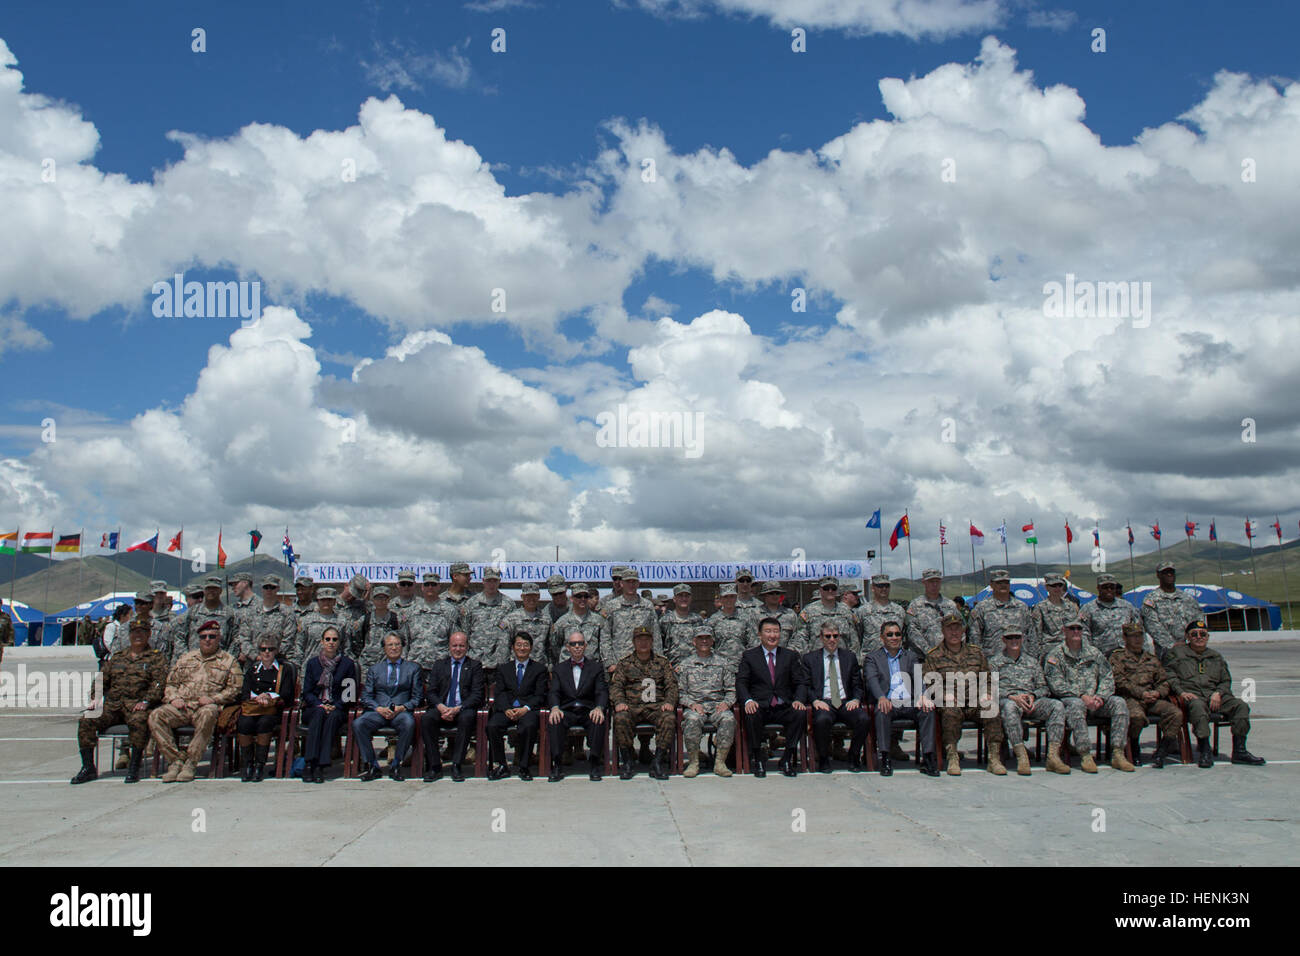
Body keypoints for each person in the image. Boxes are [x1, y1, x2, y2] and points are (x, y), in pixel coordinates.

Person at [71, 621, 167, 785]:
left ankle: (134, 767)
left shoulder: (155, 658)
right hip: (113, 706)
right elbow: (101, 679)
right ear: (129, 635)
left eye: (142, 632)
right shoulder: (118, 657)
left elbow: (159, 683)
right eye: (134, 633)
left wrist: (147, 700)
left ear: (148, 635)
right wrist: (96, 697)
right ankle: (88, 767)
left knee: (139, 721)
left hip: (136, 706)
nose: (138, 636)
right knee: (87, 720)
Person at [148, 619, 244, 783]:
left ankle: (191, 763)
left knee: (209, 713)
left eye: (212, 636)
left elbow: (235, 688)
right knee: (156, 716)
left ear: (218, 638)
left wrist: (214, 699)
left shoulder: (229, 661)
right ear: (198, 639)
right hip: (182, 706)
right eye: (204, 636)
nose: (207, 640)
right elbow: (171, 683)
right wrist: (174, 698)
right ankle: (175, 761)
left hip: (205, 708)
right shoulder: (186, 659)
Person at [1166, 620, 1265, 768]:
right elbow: (1169, 675)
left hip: (1214, 696)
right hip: (1191, 696)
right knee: (1198, 707)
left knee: (1241, 706)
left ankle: (1239, 751)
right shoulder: (1177, 654)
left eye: (1203, 634)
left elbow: (1225, 680)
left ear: (1208, 636)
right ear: (1187, 636)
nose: (1199, 637)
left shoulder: (1215, 656)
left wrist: (1219, 693)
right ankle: (1205, 750)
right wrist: (1181, 692)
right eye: (1194, 634)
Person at [1044, 621, 1136, 772]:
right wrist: (1081, 696)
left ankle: (1118, 753)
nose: (1076, 631)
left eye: (1079, 628)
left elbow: (1107, 676)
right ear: (1064, 631)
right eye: (1072, 628)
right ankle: (1085, 754)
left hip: (1096, 701)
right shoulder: (1055, 655)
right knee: (1076, 705)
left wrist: (1101, 696)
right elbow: (1056, 684)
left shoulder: (1094, 653)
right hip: (1072, 699)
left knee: (1119, 703)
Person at [924, 612, 1003, 776]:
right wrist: (943, 695)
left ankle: (994, 758)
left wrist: (986, 693)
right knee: (950, 711)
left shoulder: (976, 653)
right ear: (943, 631)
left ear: (963, 631)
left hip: (975, 701)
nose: (954, 633)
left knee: (991, 708)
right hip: (951, 702)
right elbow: (930, 681)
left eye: (957, 628)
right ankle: (952, 756)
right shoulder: (934, 655)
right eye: (949, 629)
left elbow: (987, 678)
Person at [736, 617, 809, 777]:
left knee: (799, 713)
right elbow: (741, 682)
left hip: (783, 705)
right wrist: (748, 700)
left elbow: (800, 682)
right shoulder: (750, 656)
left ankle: (787, 758)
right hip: (760, 705)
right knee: (750, 714)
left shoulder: (790, 656)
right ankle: (758, 759)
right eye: (768, 631)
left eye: (776, 631)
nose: (772, 635)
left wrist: (799, 699)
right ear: (760, 635)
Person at [864, 621, 938, 776]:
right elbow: (872, 680)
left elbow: (918, 678)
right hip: (889, 701)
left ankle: (929, 758)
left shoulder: (910, 656)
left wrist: (924, 696)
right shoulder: (873, 658)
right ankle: (885, 757)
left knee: (928, 709)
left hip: (909, 701)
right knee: (881, 710)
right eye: (889, 634)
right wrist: (881, 697)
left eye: (897, 634)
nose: (894, 637)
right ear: (882, 637)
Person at [990, 630, 1068, 775]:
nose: (1014, 640)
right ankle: (1021, 756)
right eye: (1010, 637)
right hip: (1008, 700)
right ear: (1003, 640)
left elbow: (1043, 687)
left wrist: (1033, 695)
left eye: (1017, 637)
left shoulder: (1032, 662)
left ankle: (1053, 756)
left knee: (1057, 706)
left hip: (1032, 702)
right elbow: (990, 688)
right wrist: (1012, 696)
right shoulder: (995, 662)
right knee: (1009, 707)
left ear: (1022, 639)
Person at [1109, 621, 1182, 768]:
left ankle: (1162, 750)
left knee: (1175, 713)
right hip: (1130, 699)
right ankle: (1134, 747)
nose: (1137, 639)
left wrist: (1157, 693)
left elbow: (1164, 681)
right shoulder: (1117, 657)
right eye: (1133, 636)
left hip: (1152, 699)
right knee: (1136, 717)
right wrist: (1142, 693)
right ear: (1125, 638)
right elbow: (1119, 681)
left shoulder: (1151, 658)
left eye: (1140, 636)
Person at [610, 625, 678, 780]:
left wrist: (669, 702)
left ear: (652, 642)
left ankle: (658, 761)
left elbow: (671, 686)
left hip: (656, 707)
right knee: (620, 718)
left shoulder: (662, 663)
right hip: (632, 707)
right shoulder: (624, 663)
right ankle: (628, 761)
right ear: (634, 642)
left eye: (646, 640)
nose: (643, 643)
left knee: (668, 717)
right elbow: (616, 687)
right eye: (639, 640)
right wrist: (619, 702)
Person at [802, 621, 869, 773]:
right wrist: (815, 700)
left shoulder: (849, 657)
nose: (832, 639)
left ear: (839, 637)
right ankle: (824, 758)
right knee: (821, 720)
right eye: (827, 636)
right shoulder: (810, 659)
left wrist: (856, 699)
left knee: (863, 719)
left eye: (835, 636)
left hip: (846, 702)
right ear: (821, 638)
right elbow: (805, 685)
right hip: (823, 702)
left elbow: (857, 684)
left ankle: (853, 755)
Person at [354, 633, 422, 781]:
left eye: (397, 644)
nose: (394, 648)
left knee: (409, 723)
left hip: (400, 712)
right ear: (384, 648)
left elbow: (417, 697)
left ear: (402, 646)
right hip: (378, 712)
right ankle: (372, 765)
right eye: (390, 645)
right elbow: (366, 696)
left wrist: (402, 707)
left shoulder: (413, 668)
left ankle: (396, 764)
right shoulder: (374, 669)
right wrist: (378, 708)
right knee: (359, 723)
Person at [420, 631, 484, 782]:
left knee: (467, 718)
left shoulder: (474, 666)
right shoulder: (439, 665)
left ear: (467, 647)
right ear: (449, 647)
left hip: (462, 710)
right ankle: (435, 766)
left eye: (461, 646)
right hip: (442, 709)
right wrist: (441, 707)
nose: (458, 649)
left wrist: (458, 708)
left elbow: (477, 694)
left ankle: (457, 764)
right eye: (454, 645)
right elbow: (431, 692)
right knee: (427, 719)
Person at [546, 630, 608, 781]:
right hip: (567, 710)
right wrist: (554, 707)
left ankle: (594, 763)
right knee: (555, 720)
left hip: (588, 709)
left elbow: (601, 691)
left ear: (585, 646)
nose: (577, 647)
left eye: (580, 643)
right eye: (573, 644)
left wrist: (599, 707)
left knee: (598, 719)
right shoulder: (559, 669)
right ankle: (557, 764)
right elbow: (554, 692)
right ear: (568, 647)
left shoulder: (595, 667)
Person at [487, 633, 549, 780]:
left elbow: (540, 694)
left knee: (529, 726)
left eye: (526, 645)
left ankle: (524, 766)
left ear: (531, 648)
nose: (522, 648)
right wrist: (506, 709)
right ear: (513, 647)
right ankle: (502, 765)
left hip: (527, 710)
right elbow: (500, 693)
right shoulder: (504, 669)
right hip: (507, 710)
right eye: (519, 645)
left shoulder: (539, 669)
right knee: (492, 725)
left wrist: (525, 708)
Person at [235, 634, 297, 782]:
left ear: (276, 651)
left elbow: (287, 693)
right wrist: (256, 697)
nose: (267, 652)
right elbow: (244, 691)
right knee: (244, 723)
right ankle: (248, 764)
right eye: (263, 649)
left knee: (264, 723)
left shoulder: (284, 670)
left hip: (273, 709)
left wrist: (269, 697)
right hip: (254, 707)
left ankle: (259, 765)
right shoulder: (253, 670)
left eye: (271, 649)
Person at [300, 625, 356, 783]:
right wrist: (320, 704)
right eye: (328, 639)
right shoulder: (312, 664)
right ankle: (310, 763)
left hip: (338, 707)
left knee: (331, 717)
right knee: (318, 714)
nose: (331, 642)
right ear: (322, 642)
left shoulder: (347, 664)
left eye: (334, 639)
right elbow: (307, 692)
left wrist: (335, 706)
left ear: (339, 643)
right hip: (315, 707)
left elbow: (349, 693)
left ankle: (320, 765)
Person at [678, 625, 736, 778]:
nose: (704, 641)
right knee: (691, 719)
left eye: (707, 638)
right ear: (694, 642)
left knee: (729, 718)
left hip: (717, 706)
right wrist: (691, 704)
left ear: (712, 641)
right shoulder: (686, 665)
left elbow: (731, 689)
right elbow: (680, 692)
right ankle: (693, 762)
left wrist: (727, 703)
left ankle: (720, 763)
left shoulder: (723, 663)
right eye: (700, 638)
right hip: (696, 706)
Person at [969, 569, 1038, 661]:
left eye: (1006, 582)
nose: (1003, 585)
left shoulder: (1022, 607)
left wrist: (1032, 660)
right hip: (992, 662)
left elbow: (1031, 635)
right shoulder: (982, 608)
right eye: (999, 582)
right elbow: (975, 638)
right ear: (991, 585)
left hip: (1020, 663)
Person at [1140, 562, 1203, 661]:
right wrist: (1172, 645)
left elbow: (1198, 621)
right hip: (1166, 654)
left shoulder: (1187, 598)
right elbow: (1152, 626)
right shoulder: (1151, 599)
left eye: (1172, 572)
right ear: (1158, 575)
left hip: (1190, 651)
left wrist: (1193, 642)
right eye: (1165, 572)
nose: (1169, 575)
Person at [460, 566, 512, 674]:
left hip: (499, 662)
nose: (491, 584)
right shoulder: (471, 603)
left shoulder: (508, 604)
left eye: (495, 581)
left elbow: (511, 632)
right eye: (489, 581)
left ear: (499, 582)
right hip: (475, 660)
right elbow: (465, 631)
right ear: (483, 581)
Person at [235, 575, 297, 666]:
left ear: (277, 589)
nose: (269, 590)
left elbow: (288, 639)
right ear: (262, 589)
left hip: (277, 663)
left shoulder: (286, 613)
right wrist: (256, 656)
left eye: (272, 587)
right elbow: (244, 638)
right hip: (253, 664)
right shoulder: (250, 612)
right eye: (266, 587)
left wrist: (271, 655)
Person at [1079, 573, 1139, 658]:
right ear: (1098, 588)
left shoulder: (1127, 607)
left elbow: (1138, 630)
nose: (1109, 590)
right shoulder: (1088, 609)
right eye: (1105, 587)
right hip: (1102, 658)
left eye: (1112, 587)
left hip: (1128, 656)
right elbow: (1084, 635)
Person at [548, 583, 607, 667]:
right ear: (571, 598)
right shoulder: (562, 622)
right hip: (568, 668)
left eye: (586, 596)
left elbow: (604, 645)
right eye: (579, 596)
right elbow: (555, 646)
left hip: (591, 668)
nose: (582, 599)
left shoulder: (598, 620)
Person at [904, 569, 960, 657]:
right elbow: (912, 632)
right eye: (931, 581)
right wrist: (930, 652)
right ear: (924, 582)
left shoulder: (950, 605)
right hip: (923, 659)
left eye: (937, 581)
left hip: (949, 658)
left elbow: (960, 629)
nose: (934, 585)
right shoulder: (915, 605)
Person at [799, 577, 859, 658]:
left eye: (833, 588)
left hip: (841, 661)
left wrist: (853, 661)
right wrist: (807, 661)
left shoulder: (846, 612)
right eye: (826, 588)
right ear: (820, 590)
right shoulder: (808, 611)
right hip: (817, 661)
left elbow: (854, 640)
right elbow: (801, 639)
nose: (830, 591)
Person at [497, 583, 550, 665]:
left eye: (534, 596)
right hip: (518, 668)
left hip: (540, 668)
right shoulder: (510, 619)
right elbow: (503, 646)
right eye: (528, 596)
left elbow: (550, 647)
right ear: (522, 597)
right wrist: (504, 670)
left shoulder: (546, 619)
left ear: (539, 597)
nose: (531, 599)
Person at [1032, 572, 1082, 657]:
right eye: (1054, 585)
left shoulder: (1071, 606)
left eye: (1060, 585)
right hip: (1050, 651)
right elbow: (1036, 635)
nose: (1057, 588)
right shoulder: (1040, 607)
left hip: (1071, 649)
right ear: (1047, 587)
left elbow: (1077, 629)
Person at [856, 574, 905, 658]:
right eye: (880, 586)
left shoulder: (899, 611)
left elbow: (903, 636)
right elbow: (858, 636)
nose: (884, 589)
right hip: (870, 661)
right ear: (873, 588)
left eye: (886, 586)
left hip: (895, 659)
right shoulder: (863, 611)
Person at [294, 586, 343, 669]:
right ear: (318, 601)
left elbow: (346, 647)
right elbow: (299, 645)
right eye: (323, 600)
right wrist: (297, 668)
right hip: (310, 668)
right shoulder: (307, 620)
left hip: (335, 668)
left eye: (329, 600)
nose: (326, 603)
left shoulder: (342, 622)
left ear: (334, 602)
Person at [658, 583, 706, 666]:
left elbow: (705, 644)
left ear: (691, 598)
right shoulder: (665, 621)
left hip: (695, 668)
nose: (684, 598)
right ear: (674, 599)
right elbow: (659, 646)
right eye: (680, 596)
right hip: (671, 668)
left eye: (686, 596)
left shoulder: (698, 620)